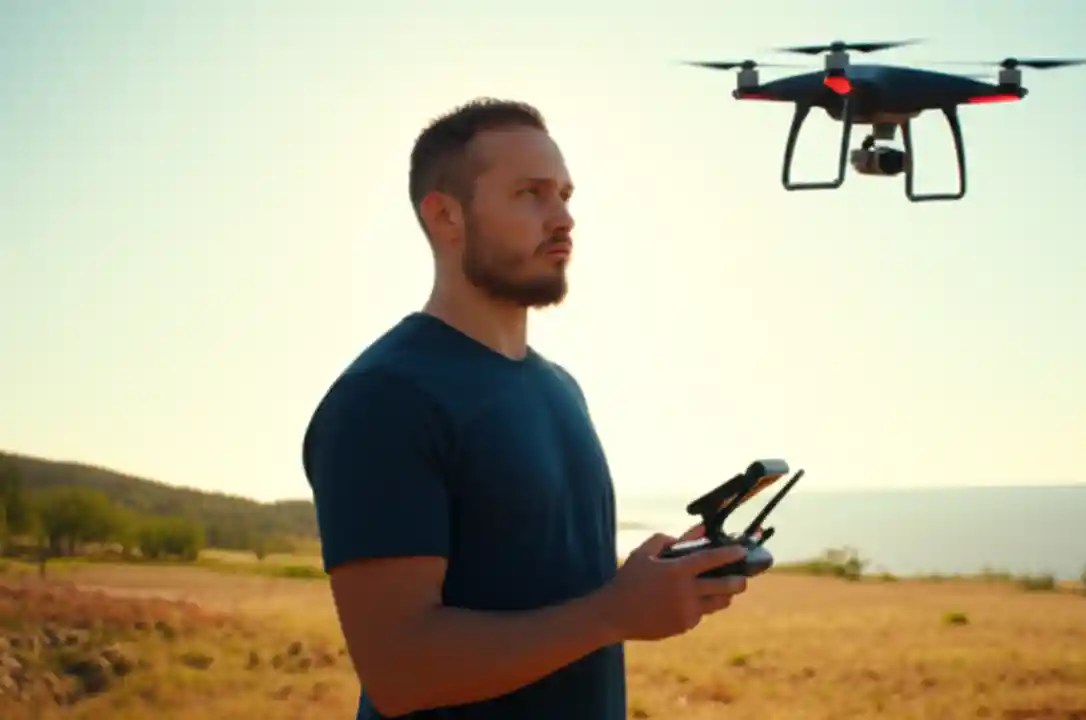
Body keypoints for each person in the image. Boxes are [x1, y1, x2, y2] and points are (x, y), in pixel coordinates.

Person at [300, 98, 753, 719]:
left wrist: (658, 583)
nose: (564, 217)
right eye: (530, 194)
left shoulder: (559, 389)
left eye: (565, 194)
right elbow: (400, 671)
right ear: (446, 216)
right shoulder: (385, 398)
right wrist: (616, 611)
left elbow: (546, 593)